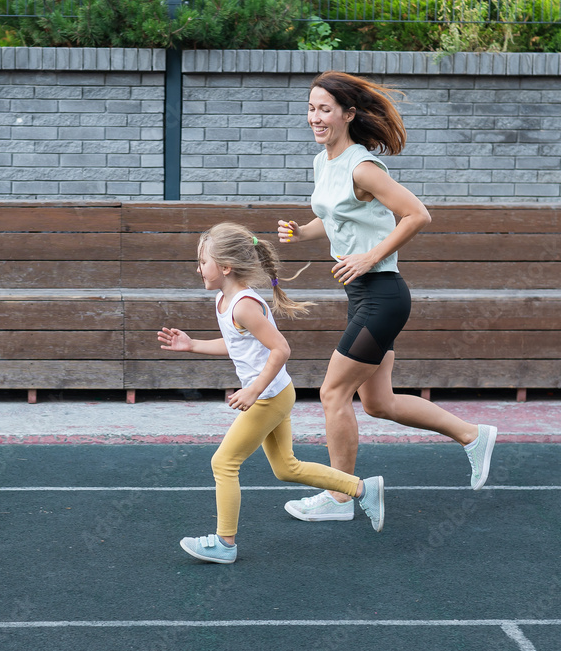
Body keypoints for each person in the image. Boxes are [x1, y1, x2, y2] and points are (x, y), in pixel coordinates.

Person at [277, 71, 497, 524]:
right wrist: (302, 232)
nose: (315, 117)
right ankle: (473, 435)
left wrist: (367, 258)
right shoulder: (325, 162)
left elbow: (417, 214)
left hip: (382, 294)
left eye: (325, 109)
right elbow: (335, 216)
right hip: (364, 297)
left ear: (348, 114)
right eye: (311, 108)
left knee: (332, 393)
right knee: (379, 402)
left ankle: (341, 498)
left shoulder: (362, 166)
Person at [158, 221, 384, 565]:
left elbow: (281, 349)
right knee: (285, 467)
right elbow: (238, 345)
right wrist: (192, 345)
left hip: (269, 397)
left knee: (224, 462)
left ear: (225, 267)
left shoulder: (244, 304)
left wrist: (253, 390)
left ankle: (224, 543)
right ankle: (362, 489)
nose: (198, 268)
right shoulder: (225, 299)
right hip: (275, 393)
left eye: (203, 261)